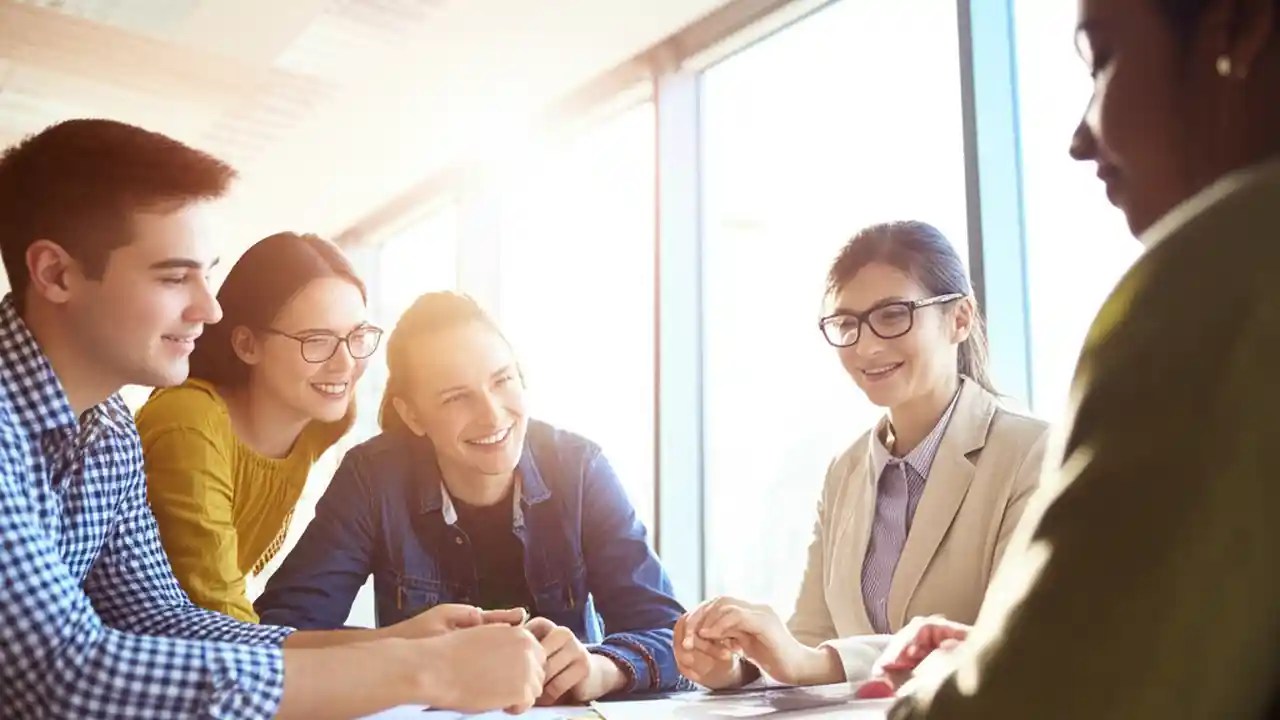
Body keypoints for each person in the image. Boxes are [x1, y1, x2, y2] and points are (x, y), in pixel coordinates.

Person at [0, 119, 545, 719]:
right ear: (56, 275)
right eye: (174, 277)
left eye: (206, 274)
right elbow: (62, 674)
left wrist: (393, 645)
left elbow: (161, 618)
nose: (209, 308)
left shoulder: (108, 429)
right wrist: (422, 672)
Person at [875, 0, 1280, 717]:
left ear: (1238, 28)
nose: (1078, 140)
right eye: (845, 324)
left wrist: (987, 676)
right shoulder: (848, 473)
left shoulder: (1217, 279)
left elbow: (1039, 704)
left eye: (1103, 63)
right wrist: (1009, 650)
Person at [255, 291, 690, 704]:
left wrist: (599, 669)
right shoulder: (372, 479)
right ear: (413, 415)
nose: (492, 414)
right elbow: (279, 635)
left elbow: (675, 641)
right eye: (456, 397)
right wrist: (409, 653)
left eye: (502, 380)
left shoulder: (580, 469)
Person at [674, 221, 1050, 689]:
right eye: (847, 324)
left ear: (960, 318)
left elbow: (1009, 643)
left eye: (893, 315)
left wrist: (814, 663)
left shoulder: (1033, 454)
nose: (867, 346)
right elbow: (809, 645)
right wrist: (736, 668)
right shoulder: (846, 470)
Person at [135, 232, 380, 622]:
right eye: (317, 340)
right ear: (247, 345)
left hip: (207, 637)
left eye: (358, 336)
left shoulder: (324, 421)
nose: (346, 364)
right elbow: (216, 609)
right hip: (131, 646)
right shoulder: (188, 424)